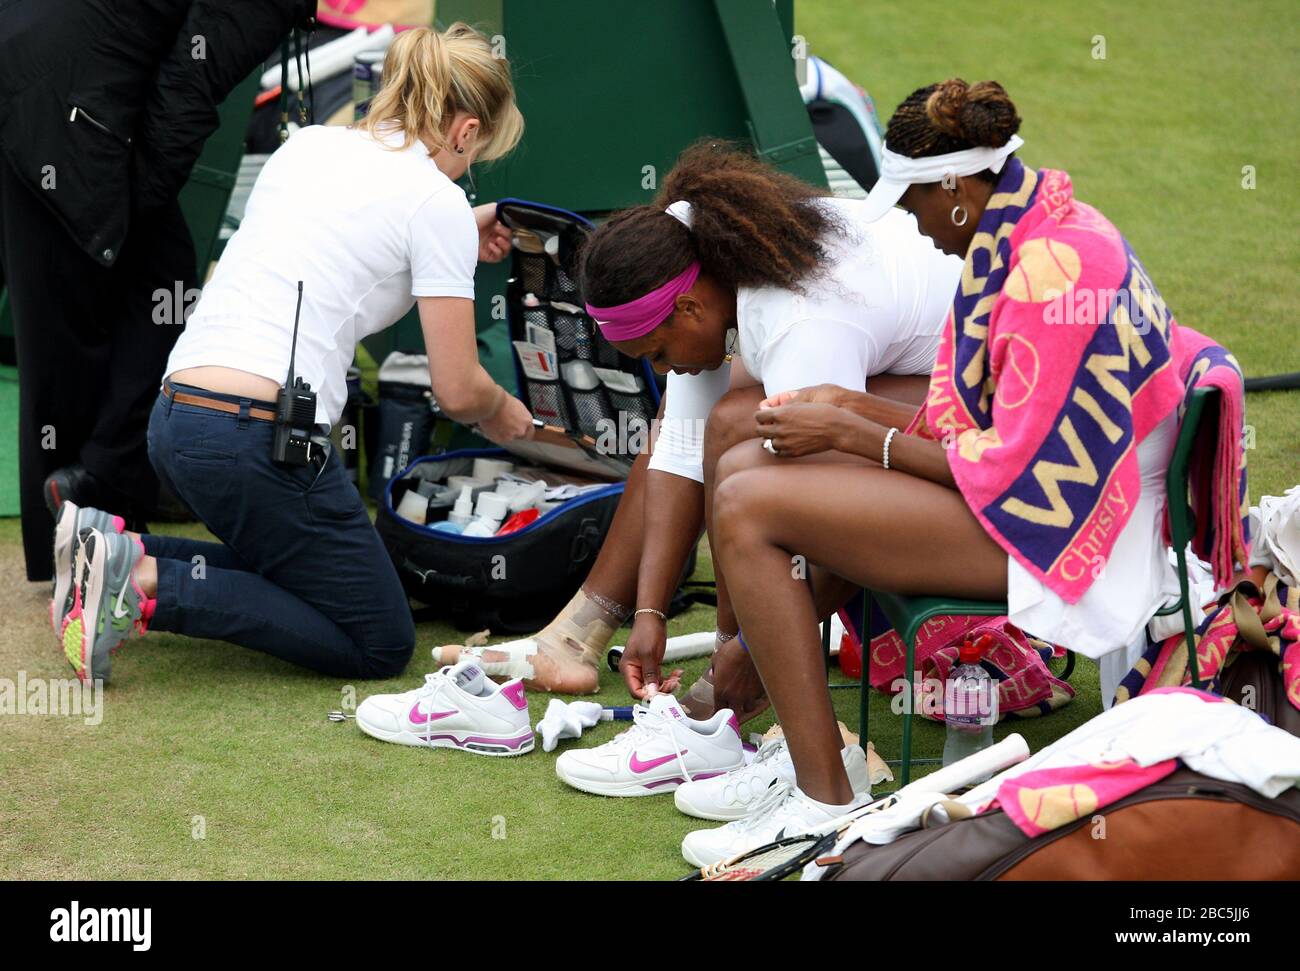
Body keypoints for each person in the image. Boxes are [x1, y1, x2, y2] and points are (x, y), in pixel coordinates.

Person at [680, 78, 1239, 866]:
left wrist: (852, 429)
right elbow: (990, 427)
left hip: (1073, 532)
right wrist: (850, 404)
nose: (912, 223)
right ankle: (817, 764)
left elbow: (1011, 469)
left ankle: (821, 801)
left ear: (955, 188)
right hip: (1062, 499)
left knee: (746, 502)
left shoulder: (1051, 271)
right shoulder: (1029, 232)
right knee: (745, 460)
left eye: (915, 203)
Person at [53, 23, 534, 684]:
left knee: (302, 570)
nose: (468, 171)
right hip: (258, 436)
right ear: (465, 131)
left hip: (175, 417)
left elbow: (340, 234)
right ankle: (143, 582)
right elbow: (457, 388)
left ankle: (108, 548)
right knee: (380, 638)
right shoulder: (439, 203)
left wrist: (453, 232)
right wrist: (504, 411)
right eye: (476, 155)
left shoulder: (307, 145)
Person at [434, 141, 962, 710]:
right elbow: (680, 447)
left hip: (986, 395)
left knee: (742, 428)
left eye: (659, 354)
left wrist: (746, 653)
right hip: (895, 356)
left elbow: (834, 522)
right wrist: (650, 613)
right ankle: (578, 637)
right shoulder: (690, 244)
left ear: (689, 309)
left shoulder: (798, 322)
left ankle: (738, 674)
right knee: (709, 421)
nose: (663, 371)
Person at [0, 0, 314, 583]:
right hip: (61, 100)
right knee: (99, 314)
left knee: (121, 302)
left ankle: (90, 507)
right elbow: (188, 87)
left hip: (39, 59)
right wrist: (132, 208)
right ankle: (88, 528)